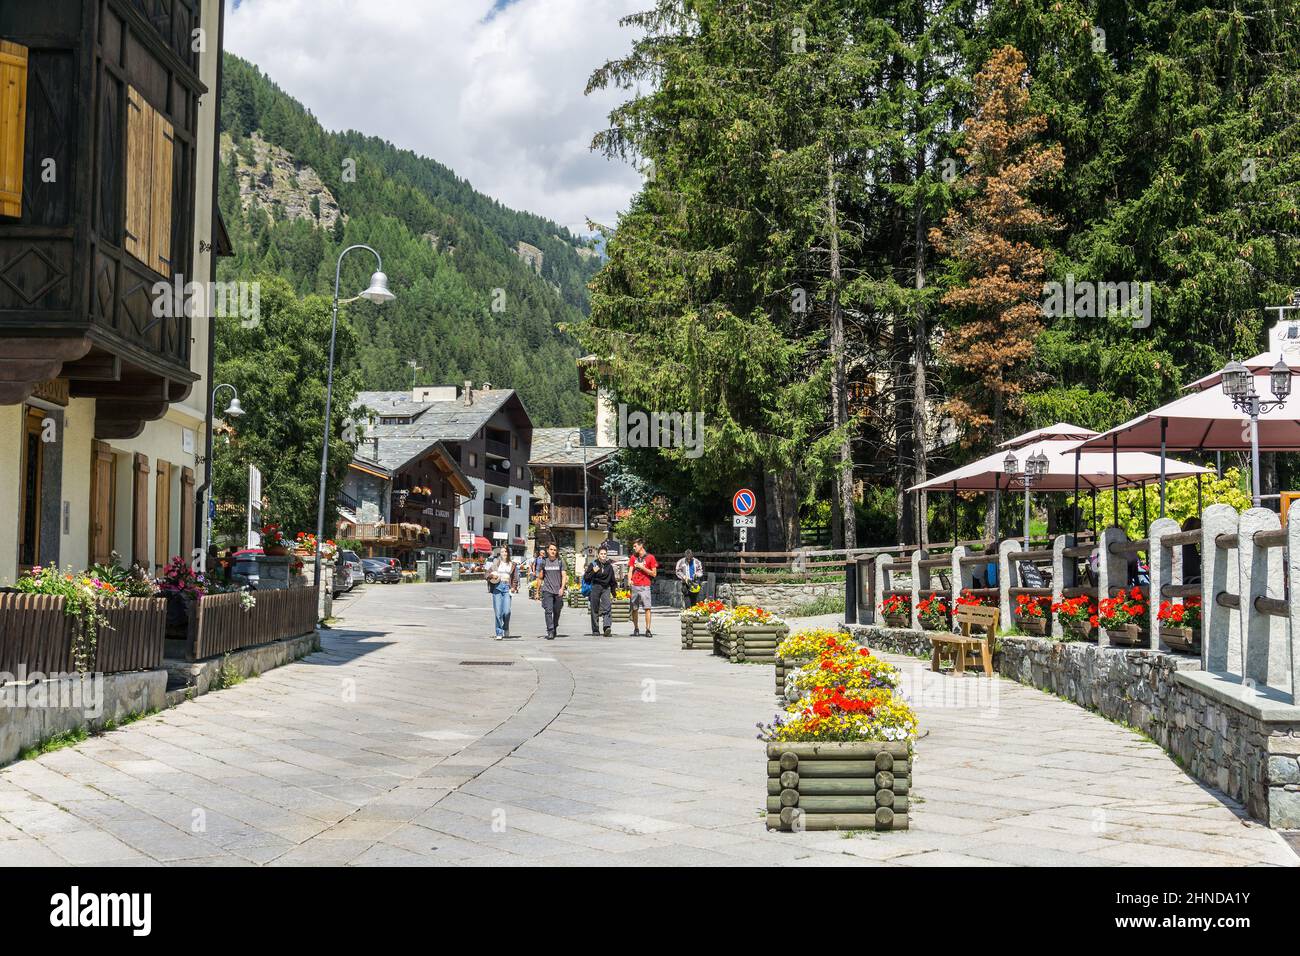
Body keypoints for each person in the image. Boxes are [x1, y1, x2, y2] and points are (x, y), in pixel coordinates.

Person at [628, 538, 658, 637]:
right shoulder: (633, 557)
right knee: (634, 608)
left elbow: (654, 574)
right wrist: (629, 580)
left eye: (635, 546)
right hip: (635, 586)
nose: (634, 548)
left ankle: (648, 630)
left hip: (645, 586)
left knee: (647, 608)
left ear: (641, 546)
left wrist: (642, 567)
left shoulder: (651, 557)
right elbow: (630, 570)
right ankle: (636, 628)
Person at [487, 546, 518, 640]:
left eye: (505, 551)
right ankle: (499, 632)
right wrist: (492, 576)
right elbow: (486, 574)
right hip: (497, 587)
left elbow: (515, 578)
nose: (504, 553)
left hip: (507, 588)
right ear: (500, 553)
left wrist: (514, 587)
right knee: (498, 612)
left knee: (506, 612)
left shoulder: (512, 564)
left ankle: (506, 627)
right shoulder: (496, 563)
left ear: (508, 553)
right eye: (502, 552)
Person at [584, 546, 617, 636]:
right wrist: (593, 572)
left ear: (606, 555)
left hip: (606, 588)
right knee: (595, 608)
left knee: (607, 607)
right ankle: (595, 630)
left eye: (605, 554)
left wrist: (614, 593)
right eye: (601, 554)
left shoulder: (609, 566)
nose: (603, 555)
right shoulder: (593, 564)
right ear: (598, 555)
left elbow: (612, 581)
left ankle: (607, 627)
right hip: (595, 587)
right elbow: (586, 578)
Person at [538, 543, 567, 640]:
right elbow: (540, 577)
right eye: (551, 549)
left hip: (558, 591)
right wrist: (537, 591)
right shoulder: (544, 562)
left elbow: (564, 576)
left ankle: (554, 626)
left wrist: (562, 588)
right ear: (547, 550)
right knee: (548, 611)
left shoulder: (560, 561)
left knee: (557, 611)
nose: (553, 551)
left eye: (554, 550)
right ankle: (550, 630)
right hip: (547, 590)